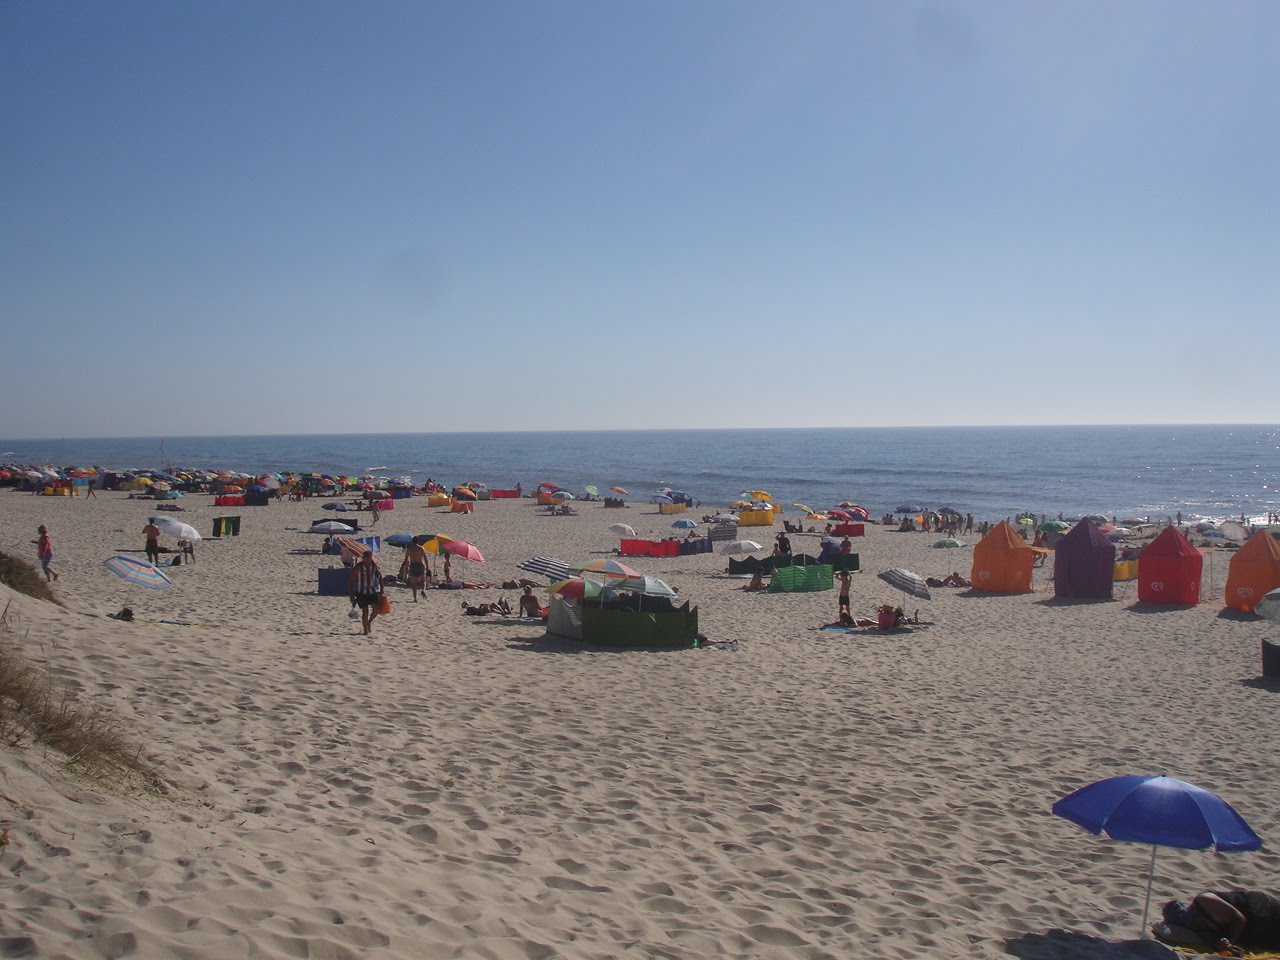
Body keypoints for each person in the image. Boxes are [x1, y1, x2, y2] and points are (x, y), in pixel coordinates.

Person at [1161, 891, 1280, 955]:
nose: (1195, 924)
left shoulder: (1204, 900)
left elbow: (1238, 918)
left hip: (1258, 909)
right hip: (1255, 932)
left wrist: (1230, 941)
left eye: (1193, 919)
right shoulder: (1202, 931)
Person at [347, 551, 384, 636]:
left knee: (376, 610)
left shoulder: (373, 565)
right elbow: (351, 580)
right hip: (361, 592)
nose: (368, 560)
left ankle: (369, 622)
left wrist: (382, 588)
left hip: (372, 591)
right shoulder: (358, 567)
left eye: (369, 558)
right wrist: (351, 594)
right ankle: (365, 631)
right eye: (366, 558)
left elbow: (380, 575)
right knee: (365, 611)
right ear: (363, 558)